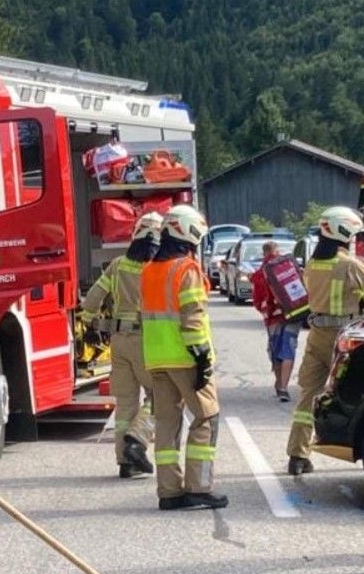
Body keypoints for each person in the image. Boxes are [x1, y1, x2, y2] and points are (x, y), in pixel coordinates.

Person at [140, 205, 228, 510]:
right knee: (206, 417)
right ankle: (199, 486)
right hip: (186, 358)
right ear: (188, 233)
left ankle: (169, 491)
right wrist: (202, 358)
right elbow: (192, 317)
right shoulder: (185, 269)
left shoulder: (150, 269)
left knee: (166, 424)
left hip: (157, 358)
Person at [286, 206, 364, 476]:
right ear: (343, 231)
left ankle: (297, 454)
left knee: (308, 395)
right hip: (344, 338)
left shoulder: (314, 264)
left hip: (316, 335)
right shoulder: (349, 265)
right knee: (352, 394)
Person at [79, 212, 164, 478]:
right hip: (147, 342)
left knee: (126, 404)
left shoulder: (117, 265)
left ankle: (124, 463)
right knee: (162, 395)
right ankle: (136, 441)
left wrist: (90, 324)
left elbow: (92, 300)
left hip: (119, 342)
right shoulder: (157, 267)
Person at [251, 240, 299, 402]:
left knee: (276, 351)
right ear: (277, 251)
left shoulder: (259, 274)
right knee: (288, 350)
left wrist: (266, 310)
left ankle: (279, 384)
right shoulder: (288, 268)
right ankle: (285, 387)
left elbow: (258, 301)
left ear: (264, 253)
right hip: (293, 314)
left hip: (273, 320)